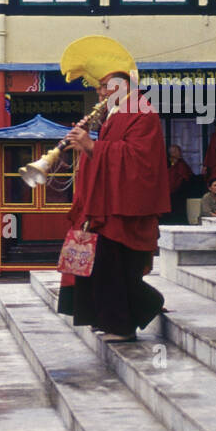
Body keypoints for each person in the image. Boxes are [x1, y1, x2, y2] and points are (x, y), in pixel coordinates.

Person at [56, 36, 169, 343]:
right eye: (100, 87)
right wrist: (86, 145)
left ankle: (123, 325)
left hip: (126, 206)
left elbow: (138, 159)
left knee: (114, 268)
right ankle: (125, 313)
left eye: (105, 86)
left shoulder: (141, 110)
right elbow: (108, 153)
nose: (101, 92)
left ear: (122, 85)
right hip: (109, 203)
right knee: (105, 266)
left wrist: (93, 145)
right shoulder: (115, 114)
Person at [165, 145, 195, 225]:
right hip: (168, 192)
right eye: (174, 152)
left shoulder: (181, 164)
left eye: (177, 152)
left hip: (180, 192)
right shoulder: (167, 163)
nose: (178, 154)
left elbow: (187, 175)